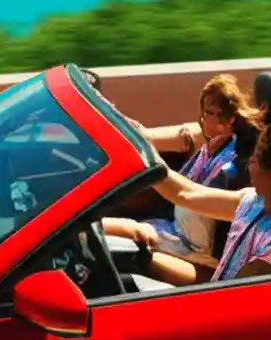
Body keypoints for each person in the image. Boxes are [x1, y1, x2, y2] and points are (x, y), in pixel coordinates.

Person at [131, 119, 271, 285]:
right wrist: (141, 149)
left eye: (256, 158)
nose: (249, 162)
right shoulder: (252, 201)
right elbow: (184, 194)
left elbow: (237, 295)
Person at [102, 74, 262, 275]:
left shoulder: (233, 167)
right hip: (176, 231)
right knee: (124, 227)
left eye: (211, 113)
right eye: (204, 113)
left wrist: (144, 157)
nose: (204, 119)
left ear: (230, 118)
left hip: (195, 249)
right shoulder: (210, 149)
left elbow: (185, 193)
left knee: (130, 231)